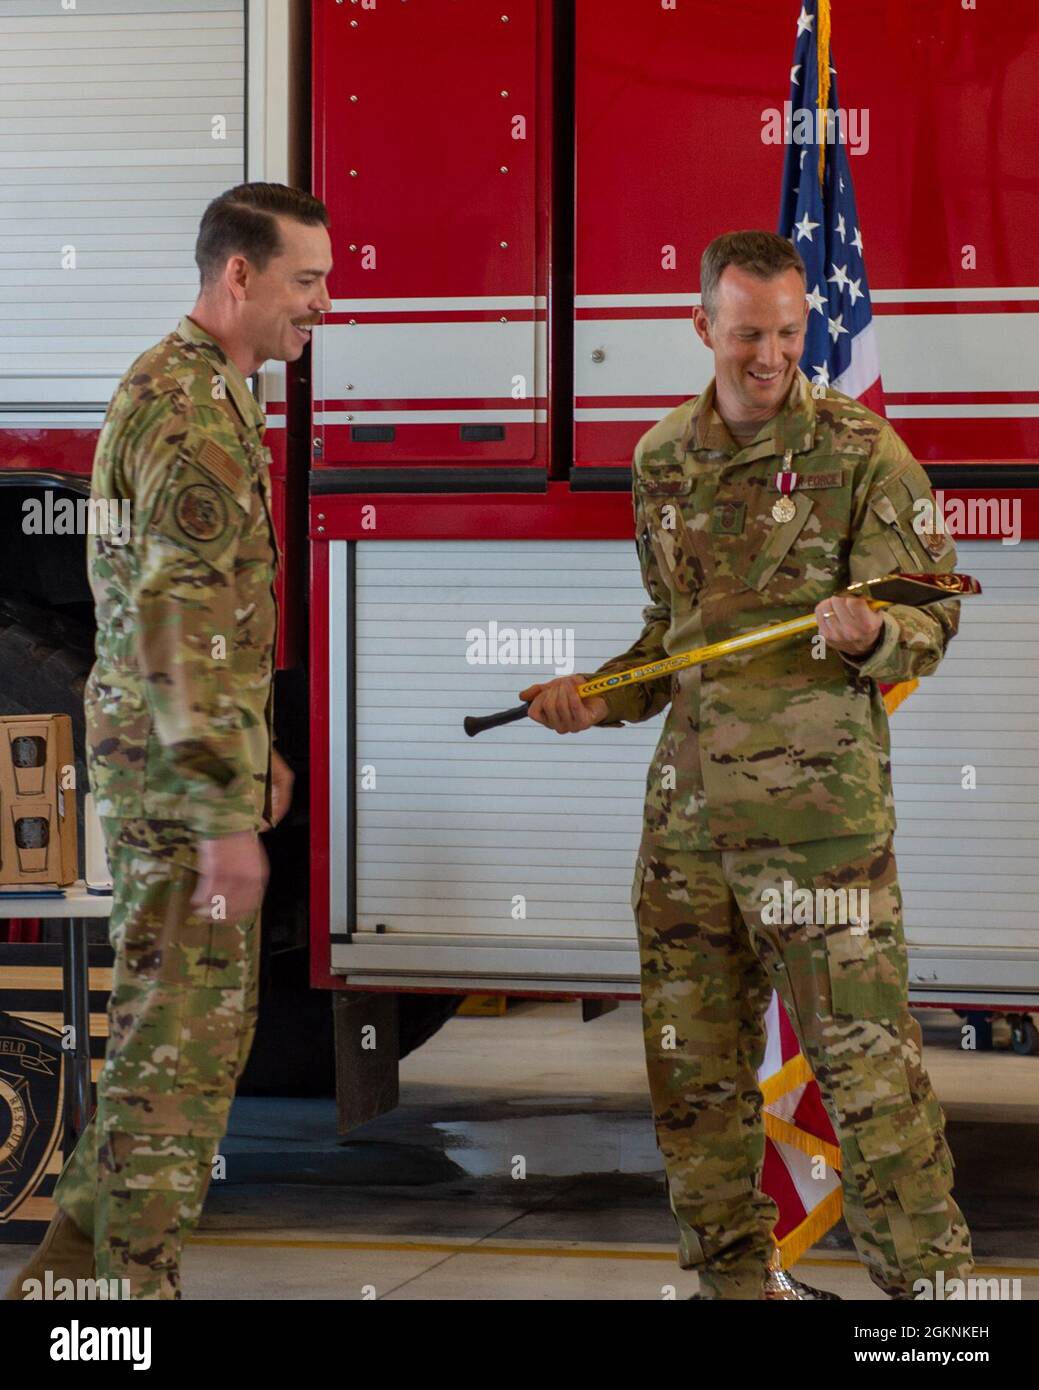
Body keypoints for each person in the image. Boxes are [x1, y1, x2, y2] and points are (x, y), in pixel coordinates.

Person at [519, 230, 974, 1301]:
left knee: (871, 1082)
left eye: (785, 332)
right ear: (701, 329)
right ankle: (732, 1285)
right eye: (745, 336)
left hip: (819, 834)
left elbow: (931, 603)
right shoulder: (658, 459)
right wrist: (595, 695)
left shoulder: (863, 453)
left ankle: (935, 1308)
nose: (769, 356)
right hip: (688, 838)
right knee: (693, 1082)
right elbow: (670, 642)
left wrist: (872, 635)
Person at [5, 182, 333, 1301]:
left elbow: (200, 622)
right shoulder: (192, 415)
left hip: (181, 767)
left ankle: (69, 1284)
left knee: (169, 1043)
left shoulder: (206, 390)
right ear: (236, 276)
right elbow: (171, 627)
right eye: (305, 280)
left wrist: (254, 753)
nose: (321, 305)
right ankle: (125, 1304)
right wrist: (220, 810)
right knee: (175, 1067)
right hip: (175, 789)